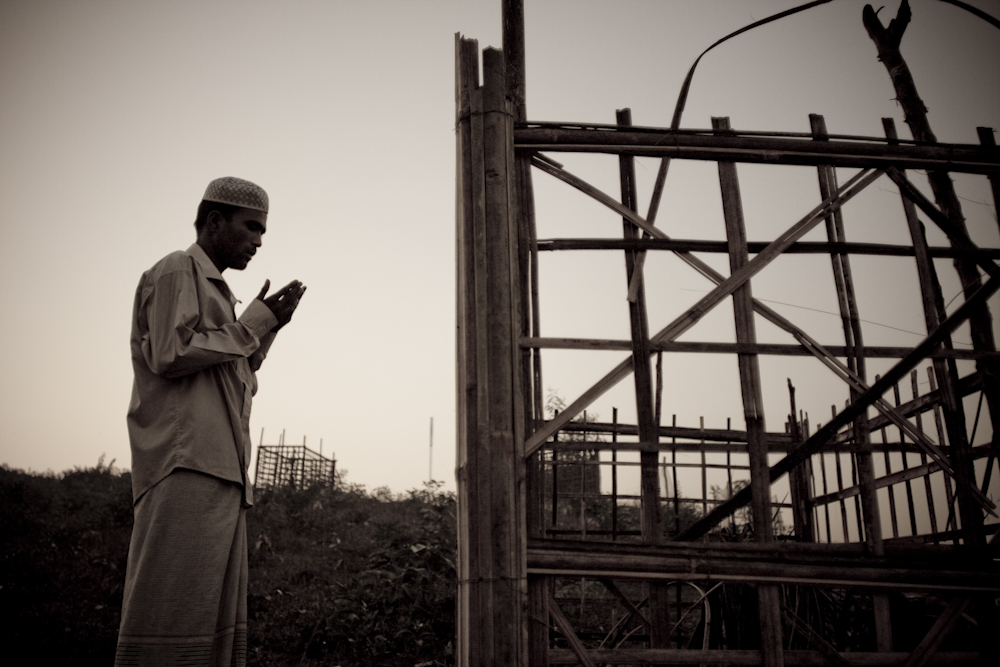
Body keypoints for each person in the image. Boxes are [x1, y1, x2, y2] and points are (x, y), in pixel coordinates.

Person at [115, 176, 305, 666]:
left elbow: (231, 372)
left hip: (221, 471)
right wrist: (251, 325)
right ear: (215, 222)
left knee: (209, 623)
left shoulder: (221, 294)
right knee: (170, 618)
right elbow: (170, 352)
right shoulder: (178, 270)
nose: (259, 242)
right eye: (252, 228)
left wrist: (267, 329)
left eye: (263, 232)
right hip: (185, 466)